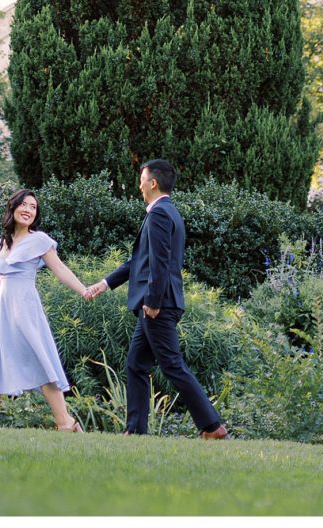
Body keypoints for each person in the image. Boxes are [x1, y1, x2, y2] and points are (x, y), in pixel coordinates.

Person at [87, 159, 228, 439]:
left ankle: (212, 427)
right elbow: (140, 261)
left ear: (153, 183)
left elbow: (160, 263)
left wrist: (152, 301)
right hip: (156, 304)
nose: (139, 185)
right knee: (136, 363)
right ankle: (135, 430)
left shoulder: (160, 214)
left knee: (172, 365)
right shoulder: (166, 212)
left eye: (141, 180)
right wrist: (104, 284)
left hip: (157, 305)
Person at [0, 187, 91, 431]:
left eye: (33, 207)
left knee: (40, 359)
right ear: (13, 207)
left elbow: (60, 269)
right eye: (24, 205)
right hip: (2, 313)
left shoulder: (39, 240)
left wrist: (83, 290)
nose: (28, 210)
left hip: (26, 310)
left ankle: (66, 422)